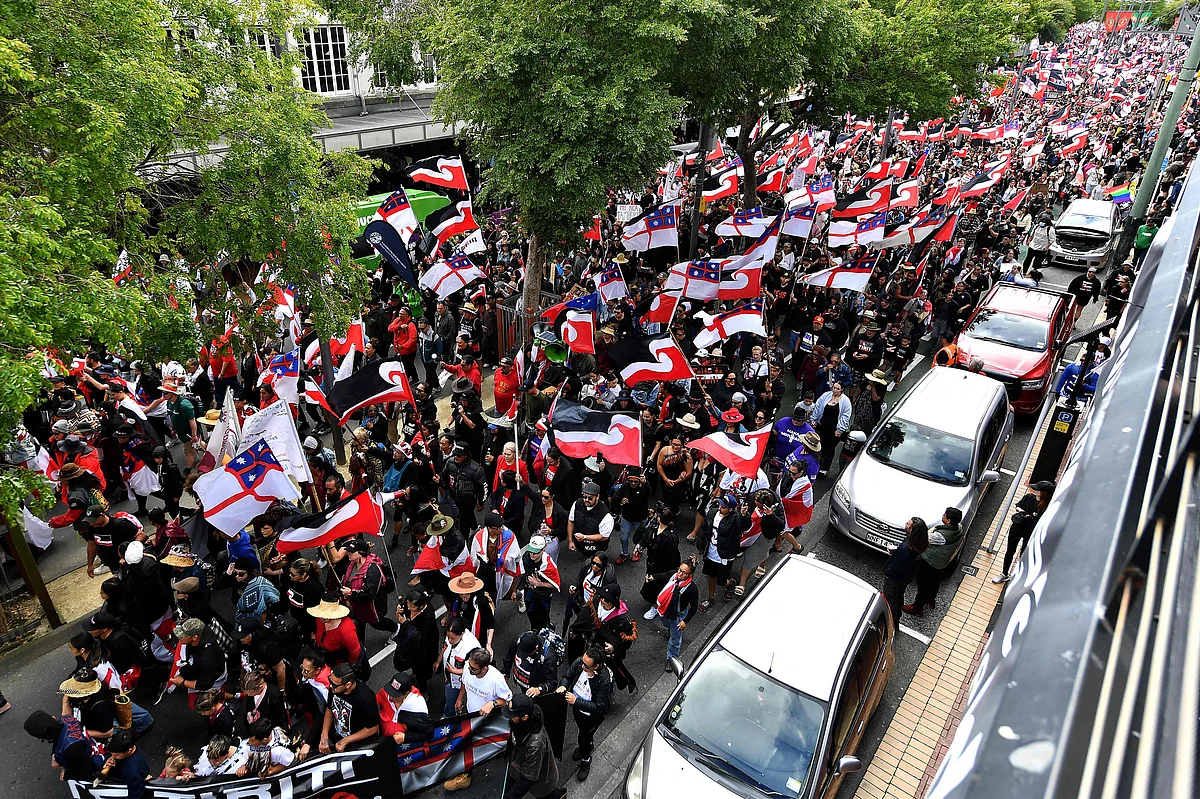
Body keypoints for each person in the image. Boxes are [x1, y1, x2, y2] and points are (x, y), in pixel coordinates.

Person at [445, 648, 512, 792]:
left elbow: (508, 700)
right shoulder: (468, 668)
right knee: (469, 744)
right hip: (472, 717)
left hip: (489, 721)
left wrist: (492, 704)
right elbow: (465, 682)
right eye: (469, 665)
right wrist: (460, 699)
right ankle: (466, 775)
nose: (469, 669)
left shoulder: (496, 680)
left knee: (476, 744)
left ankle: (501, 752)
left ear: (484, 668)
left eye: (473, 669)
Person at [556, 646, 612, 782]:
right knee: (583, 733)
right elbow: (567, 676)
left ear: (596, 666)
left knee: (584, 737)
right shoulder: (580, 663)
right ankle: (586, 746)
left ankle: (586, 759)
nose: (582, 666)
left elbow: (598, 706)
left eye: (586, 666)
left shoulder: (603, 678)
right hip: (578, 710)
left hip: (592, 716)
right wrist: (563, 685)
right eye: (582, 662)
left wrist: (576, 701)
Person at [302, 663, 379, 757]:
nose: (331, 686)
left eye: (334, 685)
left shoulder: (366, 698)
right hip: (339, 738)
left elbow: (372, 728)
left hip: (358, 745)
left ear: (348, 684)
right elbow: (329, 709)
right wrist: (324, 735)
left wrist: (347, 740)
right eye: (330, 681)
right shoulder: (335, 689)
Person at [502, 693, 566, 799]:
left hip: (543, 783)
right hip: (521, 765)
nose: (510, 718)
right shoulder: (523, 721)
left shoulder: (535, 745)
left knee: (549, 797)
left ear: (525, 717)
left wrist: (509, 797)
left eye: (513, 715)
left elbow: (528, 778)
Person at [994, 480, 1055, 583]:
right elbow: (1018, 505)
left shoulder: (1047, 507)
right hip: (1017, 528)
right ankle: (1004, 573)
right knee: (1010, 551)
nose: (1034, 491)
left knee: (1024, 555)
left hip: (1031, 533)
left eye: (1038, 490)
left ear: (1044, 493)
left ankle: (1019, 576)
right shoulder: (1029, 497)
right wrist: (1020, 510)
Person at [907, 507, 964, 616]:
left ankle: (917, 608)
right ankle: (931, 599)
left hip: (930, 562)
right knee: (935, 581)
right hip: (942, 563)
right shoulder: (958, 529)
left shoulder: (940, 536)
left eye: (944, 515)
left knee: (923, 584)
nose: (943, 515)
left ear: (948, 521)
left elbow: (924, 539)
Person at [23, 709, 106, 782]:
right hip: (97, 748)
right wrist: (54, 755)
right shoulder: (67, 719)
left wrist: (67, 775)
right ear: (53, 718)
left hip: (101, 764)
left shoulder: (71, 749)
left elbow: (92, 773)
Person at [697, 495, 748, 612]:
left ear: (730, 509)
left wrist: (744, 516)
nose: (720, 507)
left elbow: (744, 526)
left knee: (721, 582)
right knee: (711, 576)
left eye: (724, 507)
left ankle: (730, 584)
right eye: (720, 504)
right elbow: (704, 529)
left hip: (725, 555)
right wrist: (701, 545)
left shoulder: (735, 518)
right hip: (711, 552)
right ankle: (711, 598)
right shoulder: (712, 513)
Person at [390, 589, 441, 693]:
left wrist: (405, 623)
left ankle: (422, 689)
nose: (408, 608)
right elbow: (400, 616)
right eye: (408, 605)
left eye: (412, 607)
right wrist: (398, 611)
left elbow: (420, 637)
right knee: (414, 666)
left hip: (424, 648)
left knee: (421, 671)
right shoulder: (409, 603)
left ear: (421, 606)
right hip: (412, 645)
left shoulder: (428, 616)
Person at [882, 518, 929, 630]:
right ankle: (896, 619)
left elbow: (896, 567)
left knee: (891, 600)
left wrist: (887, 571)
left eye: (908, 524)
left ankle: (891, 623)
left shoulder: (905, 548)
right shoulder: (919, 544)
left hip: (895, 579)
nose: (905, 524)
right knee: (898, 598)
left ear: (912, 529)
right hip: (905, 578)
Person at [638, 505, 681, 618]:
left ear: (659, 518)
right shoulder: (654, 528)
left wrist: (672, 572)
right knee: (651, 583)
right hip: (652, 563)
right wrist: (639, 546)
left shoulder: (671, 537)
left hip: (663, 567)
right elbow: (646, 537)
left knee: (659, 586)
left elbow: (673, 557)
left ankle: (657, 606)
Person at [516, 535, 561, 633]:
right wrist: (515, 590)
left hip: (542, 596)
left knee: (542, 617)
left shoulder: (549, 566)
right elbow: (521, 574)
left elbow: (555, 584)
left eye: (535, 552)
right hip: (529, 592)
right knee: (531, 614)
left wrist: (538, 583)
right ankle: (534, 630)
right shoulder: (526, 558)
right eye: (531, 551)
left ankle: (545, 630)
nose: (532, 554)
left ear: (543, 550)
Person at [376, 672, 433, 744]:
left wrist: (405, 738)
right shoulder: (386, 692)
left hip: (401, 743)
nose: (390, 697)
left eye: (395, 695)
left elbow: (428, 734)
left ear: (406, 694)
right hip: (383, 735)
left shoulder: (417, 710)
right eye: (390, 692)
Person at [440, 618, 482, 715]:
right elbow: (445, 647)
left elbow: (473, 670)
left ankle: (448, 717)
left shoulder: (471, 647)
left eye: (453, 638)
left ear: (462, 634)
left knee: (451, 700)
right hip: (448, 677)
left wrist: (454, 671)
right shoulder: (451, 635)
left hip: (458, 682)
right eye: (448, 637)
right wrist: (439, 660)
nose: (450, 640)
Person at [309, 596, 361, 668]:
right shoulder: (320, 619)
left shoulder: (346, 629)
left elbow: (355, 652)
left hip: (338, 662)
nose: (321, 617)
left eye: (325, 614)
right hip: (325, 655)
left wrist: (348, 668)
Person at [613, 466, 651, 563]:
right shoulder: (625, 486)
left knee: (639, 538)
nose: (633, 483)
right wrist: (621, 500)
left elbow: (649, 494)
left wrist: (645, 483)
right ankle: (624, 553)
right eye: (631, 481)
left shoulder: (644, 486)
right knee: (623, 537)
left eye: (636, 481)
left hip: (641, 518)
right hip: (627, 517)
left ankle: (638, 551)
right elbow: (616, 496)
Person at [98, 728, 151, 798]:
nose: (112, 757)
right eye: (111, 754)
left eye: (116, 755)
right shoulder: (124, 746)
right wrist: (106, 765)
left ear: (129, 750)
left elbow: (135, 796)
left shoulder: (133, 771)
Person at [812, 382, 852, 475]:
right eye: (834, 388)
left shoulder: (845, 401)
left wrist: (840, 429)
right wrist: (814, 419)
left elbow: (845, 416)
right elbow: (818, 406)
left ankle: (824, 468)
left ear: (842, 389)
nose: (835, 390)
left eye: (837, 389)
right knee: (819, 446)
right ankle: (815, 464)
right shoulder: (826, 395)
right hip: (822, 426)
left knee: (829, 449)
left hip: (834, 430)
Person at [568, 479, 614, 556]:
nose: (586, 500)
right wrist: (570, 540)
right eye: (584, 497)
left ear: (597, 497)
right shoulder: (577, 504)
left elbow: (604, 536)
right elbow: (571, 521)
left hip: (596, 549)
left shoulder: (605, 516)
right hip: (579, 545)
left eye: (590, 498)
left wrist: (584, 537)